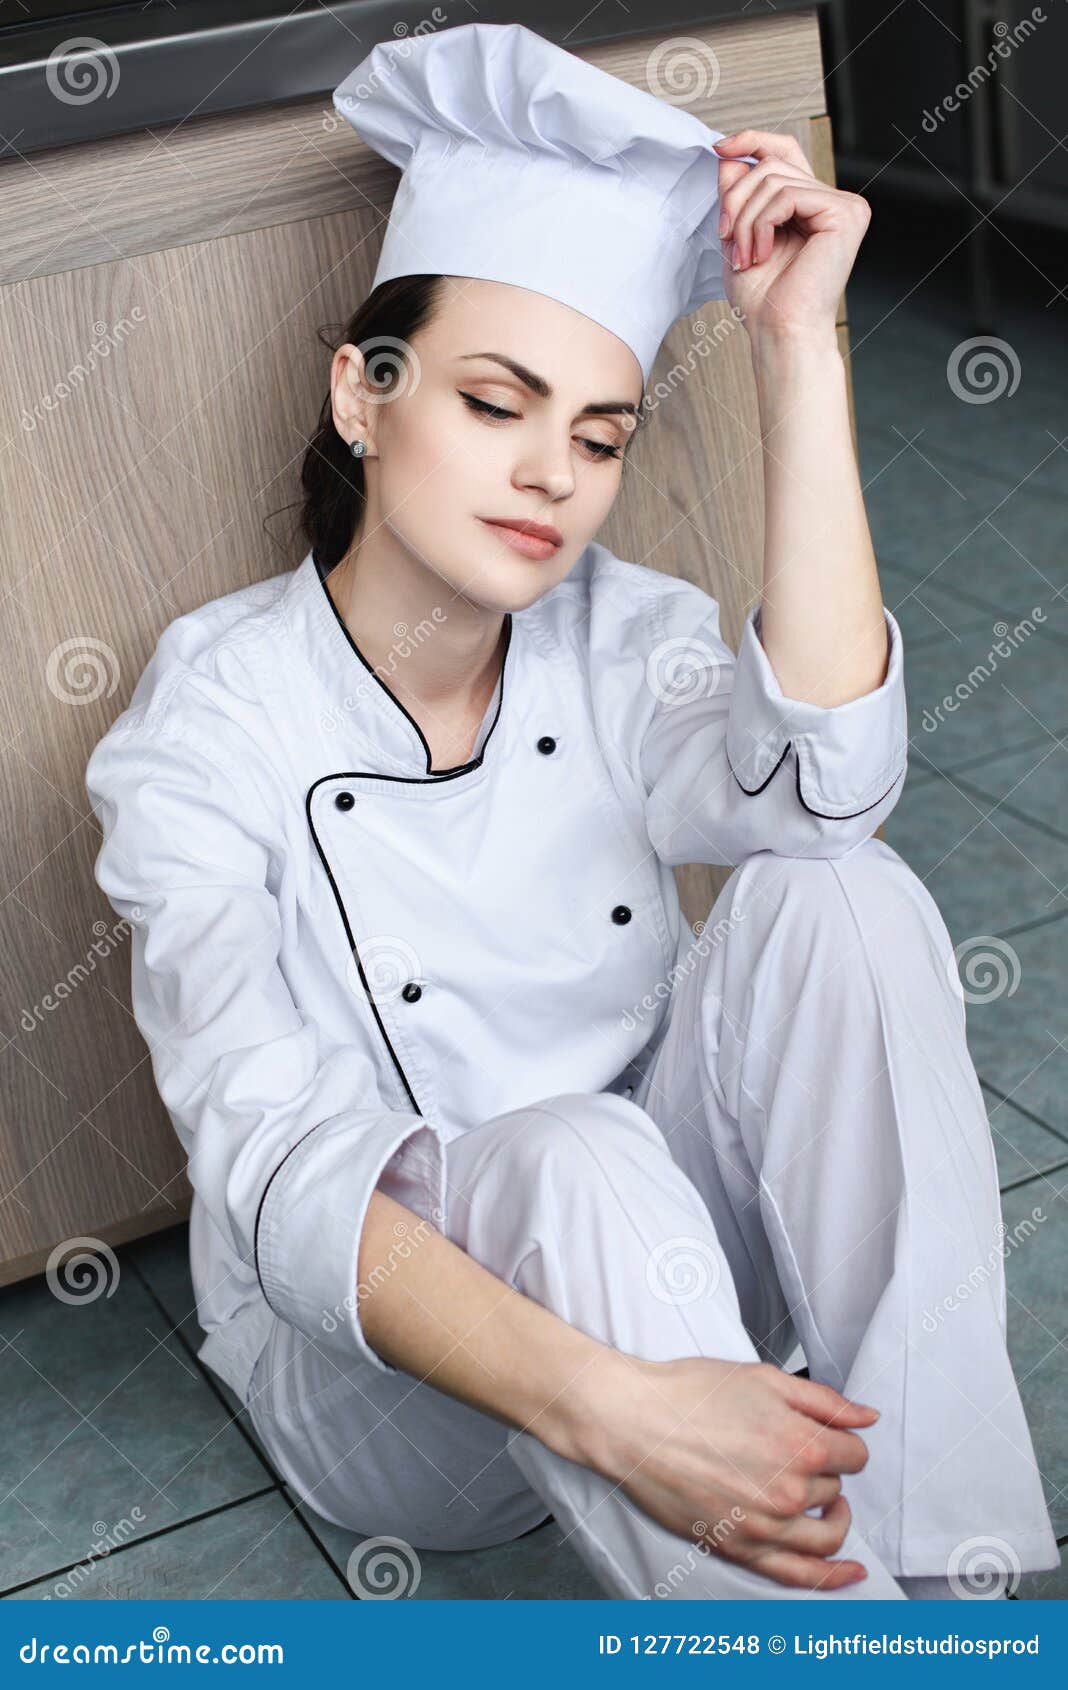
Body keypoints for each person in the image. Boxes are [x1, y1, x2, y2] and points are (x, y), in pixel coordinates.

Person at [83, 23, 1058, 1601]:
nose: (552, 473)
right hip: (404, 1376)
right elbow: (278, 1175)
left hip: (681, 1293)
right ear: (363, 395)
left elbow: (829, 793)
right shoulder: (210, 722)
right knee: (577, 1148)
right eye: (495, 403)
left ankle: (965, 1579)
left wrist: (798, 354)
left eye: (600, 436)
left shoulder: (623, 633)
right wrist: (617, 1403)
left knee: (841, 889)